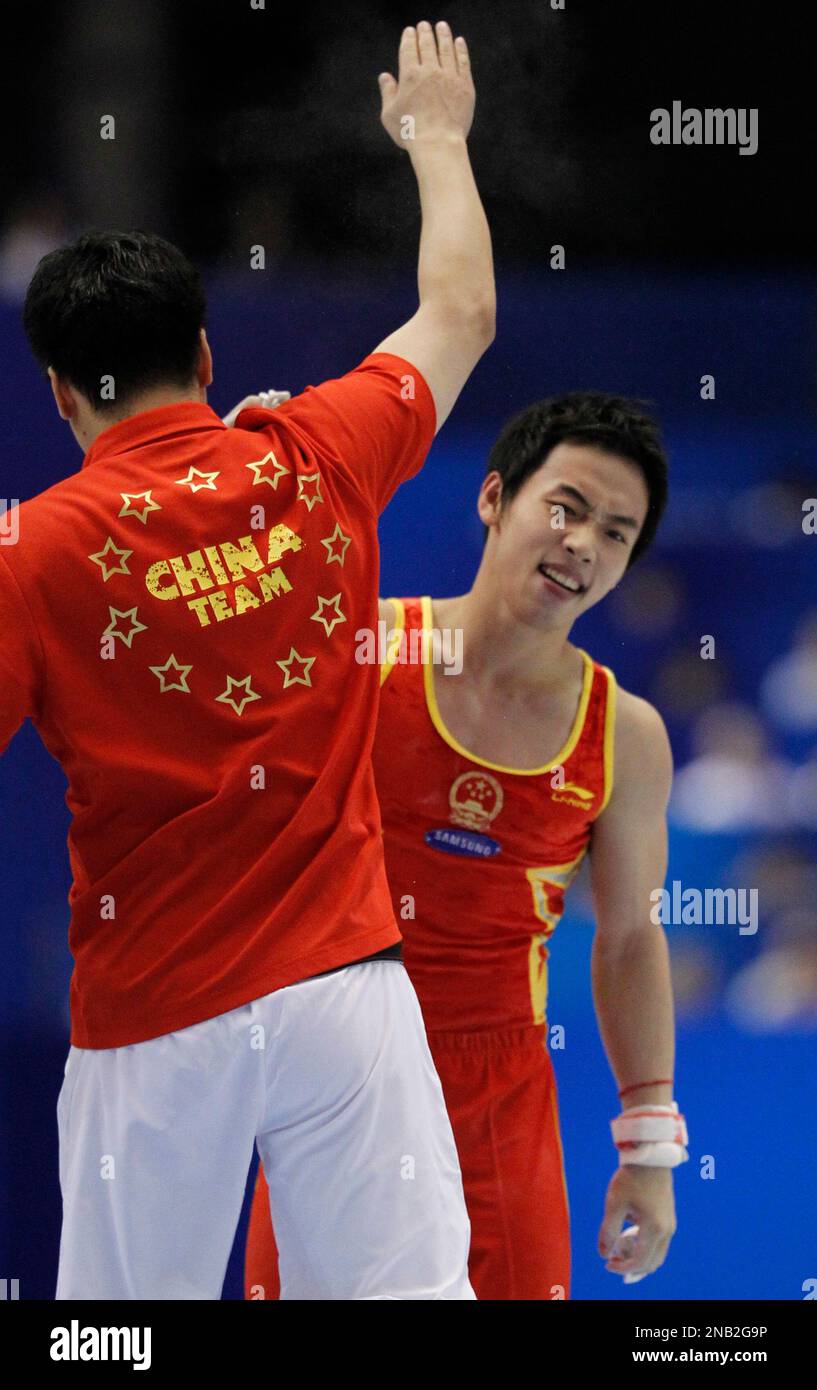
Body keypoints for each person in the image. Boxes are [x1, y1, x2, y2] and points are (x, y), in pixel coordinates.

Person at [0, 20, 495, 1299]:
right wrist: (436, 139)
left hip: (154, 1026)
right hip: (346, 995)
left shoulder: (30, 554)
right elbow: (462, 311)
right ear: (205, 358)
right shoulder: (318, 449)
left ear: (61, 393)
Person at [243, 391, 689, 1300]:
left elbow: (630, 939)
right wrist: (256, 484)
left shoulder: (624, 737)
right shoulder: (364, 648)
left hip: (496, 1089)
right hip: (334, 1070)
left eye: (615, 533)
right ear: (494, 499)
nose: (581, 545)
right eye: (563, 507)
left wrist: (650, 1148)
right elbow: (219, 653)